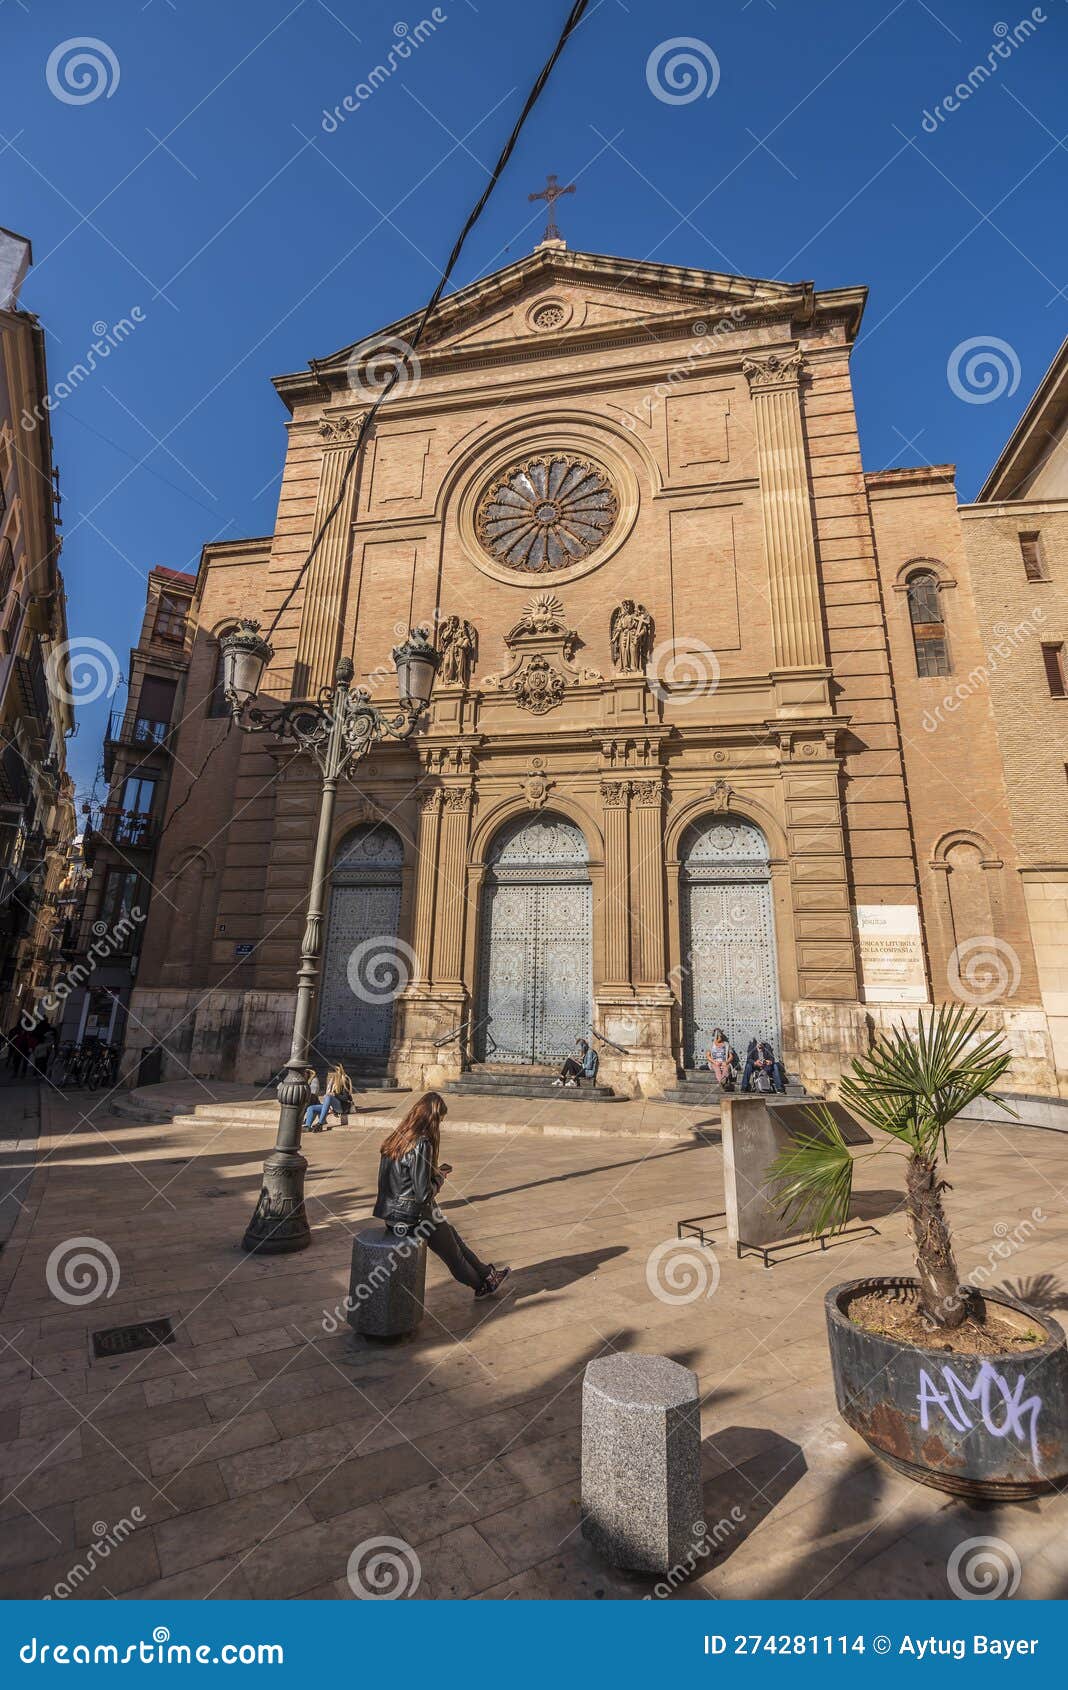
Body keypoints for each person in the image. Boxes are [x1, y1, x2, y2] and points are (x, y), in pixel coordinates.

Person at [374, 1092, 510, 1299]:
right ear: (432, 1119)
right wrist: (440, 1178)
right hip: (415, 1218)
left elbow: (401, 1179)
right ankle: (482, 1285)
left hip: (392, 1215)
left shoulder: (397, 1138)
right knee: (454, 1255)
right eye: (440, 1121)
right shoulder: (421, 1143)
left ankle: (487, 1274)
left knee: (452, 1234)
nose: (439, 1127)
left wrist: (432, 1172)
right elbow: (423, 1194)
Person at [303, 1064, 352, 1131]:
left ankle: (320, 1124)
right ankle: (307, 1126)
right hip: (331, 1106)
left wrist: (335, 1094)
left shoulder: (344, 1080)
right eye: (329, 1074)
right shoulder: (331, 1081)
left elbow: (345, 1098)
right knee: (311, 1108)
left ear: (337, 1073)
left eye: (331, 1074)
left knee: (329, 1097)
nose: (330, 1076)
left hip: (341, 1107)